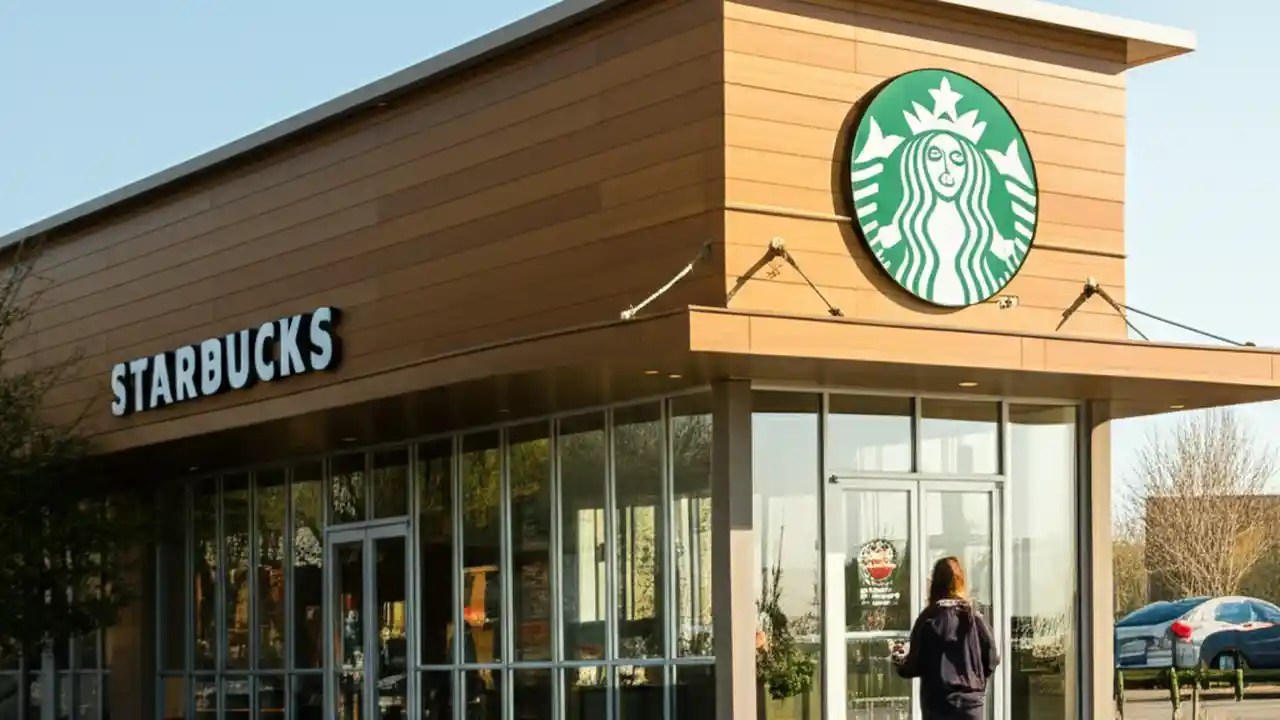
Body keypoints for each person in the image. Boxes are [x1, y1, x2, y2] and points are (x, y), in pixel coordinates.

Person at [892, 556, 999, 720]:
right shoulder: (973, 617)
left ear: (935, 584)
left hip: (938, 705)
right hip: (971, 705)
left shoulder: (928, 619)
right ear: (961, 582)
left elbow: (912, 666)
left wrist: (898, 658)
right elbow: (992, 659)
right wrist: (974, 678)